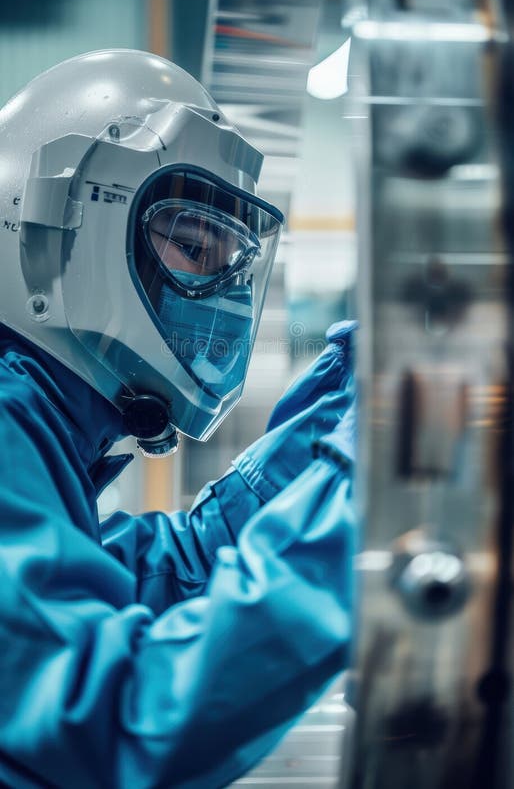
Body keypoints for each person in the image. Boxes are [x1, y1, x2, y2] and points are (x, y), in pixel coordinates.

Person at [0, 49, 356, 789]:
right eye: (194, 248)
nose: (223, 298)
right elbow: (117, 726)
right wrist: (350, 494)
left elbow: (170, 574)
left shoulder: (44, 433)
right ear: (50, 223)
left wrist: (344, 415)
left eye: (235, 265)